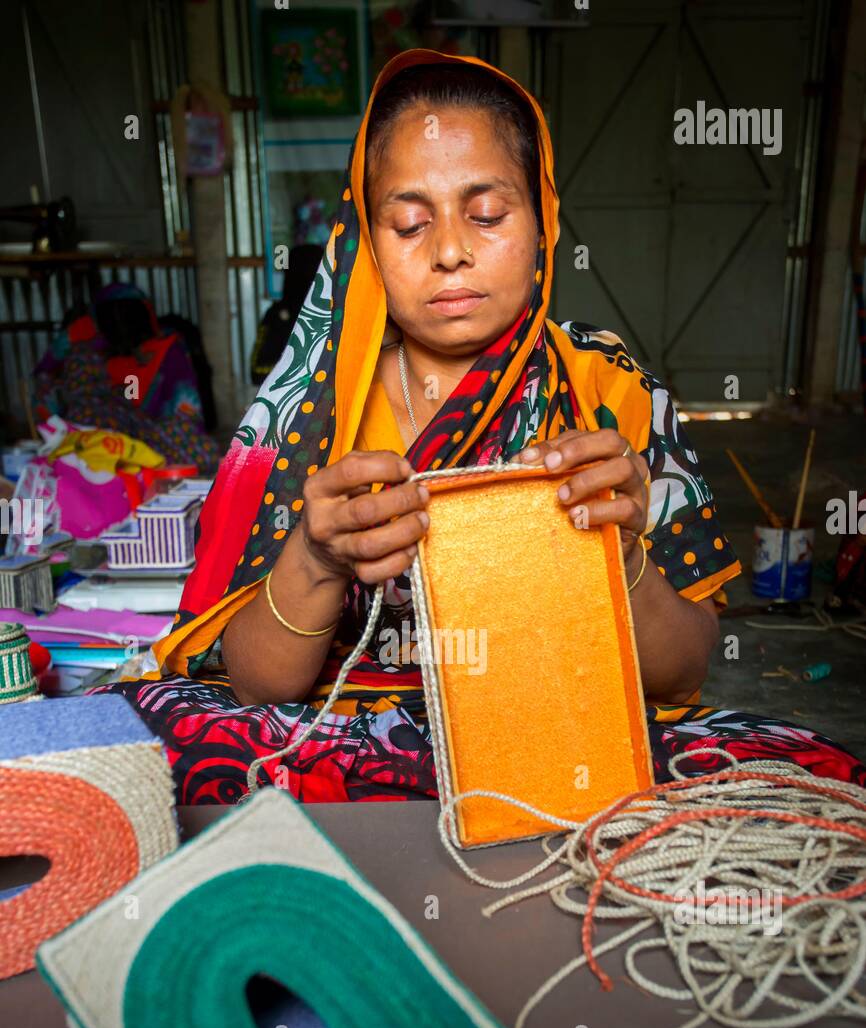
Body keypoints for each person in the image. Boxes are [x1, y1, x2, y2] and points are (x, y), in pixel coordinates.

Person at [94, 50, 865, 804]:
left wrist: (622, 556)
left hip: (555, 729)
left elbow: (678, 676)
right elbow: (262, 690)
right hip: (356, 728)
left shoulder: (603, 387)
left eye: (487, 214)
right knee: (152, 746)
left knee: (801, 773)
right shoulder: (311, 409)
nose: (452, 252)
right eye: (408, 224)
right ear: (367, 238)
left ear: (543, 220)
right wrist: (318, 559)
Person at [33, 282, 221, 476]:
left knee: (195, 444)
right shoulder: (86, 354)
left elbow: (186, 417)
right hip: (106, 435)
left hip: (149, 434)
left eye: (128, 316)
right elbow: (51, 382)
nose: (121, 324)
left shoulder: (167, 351)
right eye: (112, 317)